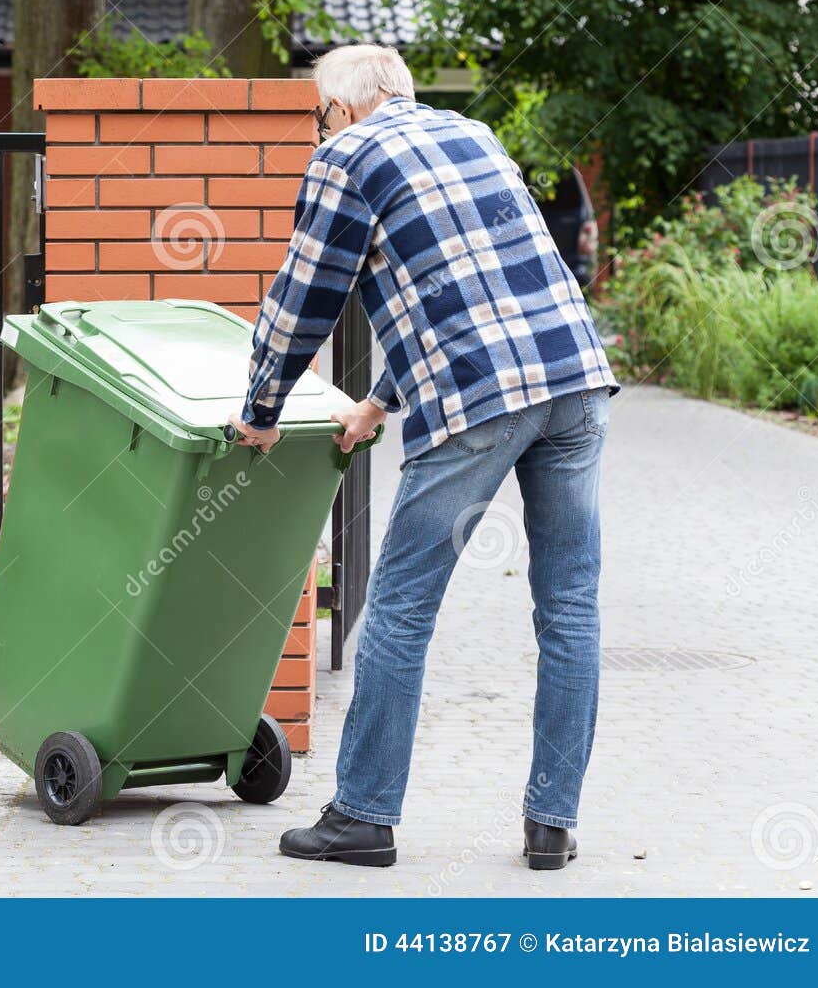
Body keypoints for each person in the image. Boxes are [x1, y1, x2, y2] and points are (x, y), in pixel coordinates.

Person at [226, 44, 618, 871]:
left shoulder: (347, 155)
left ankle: (363, 816)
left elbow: (303, 299)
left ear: (342, 107)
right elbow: (470, 289)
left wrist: (260, 409)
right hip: (576, 380)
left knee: (401, 605)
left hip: (480, 398)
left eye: (316, 117)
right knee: (571, 608)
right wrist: (378, 402)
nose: (317, 131)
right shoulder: (473, 134)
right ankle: (552, 825)